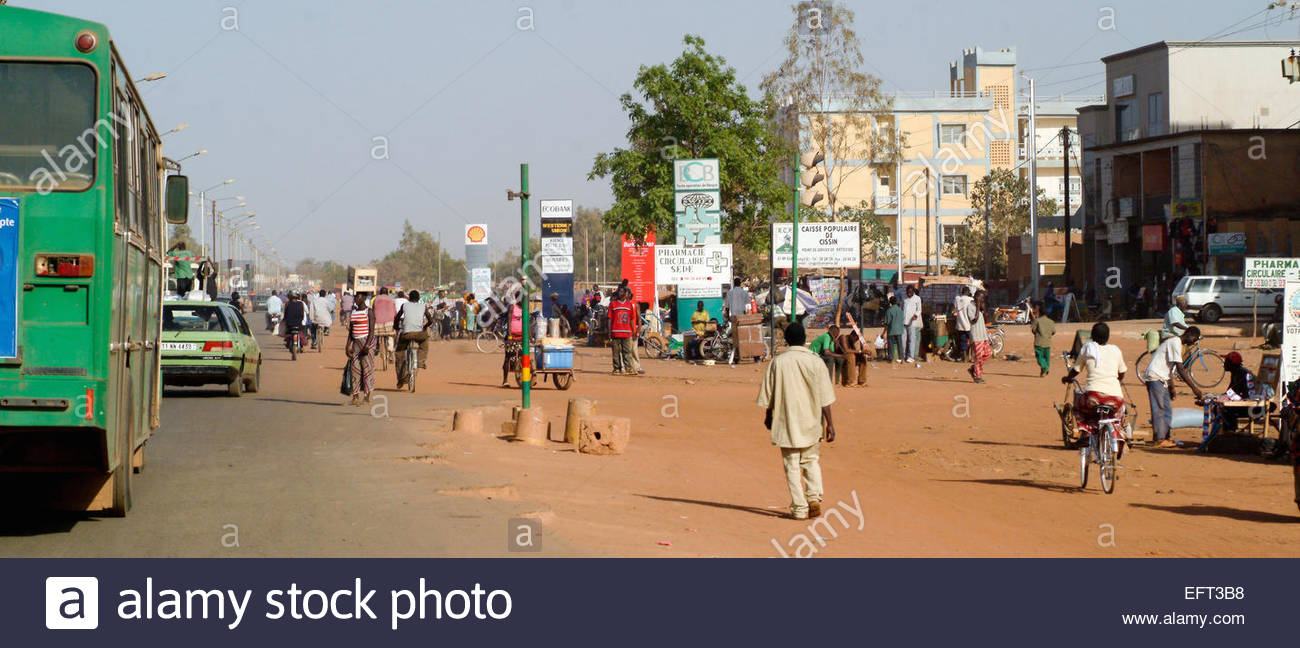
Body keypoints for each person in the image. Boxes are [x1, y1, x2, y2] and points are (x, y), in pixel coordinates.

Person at [756, 321, 837, 520]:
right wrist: (830, 424)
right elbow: (825, 397)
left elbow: (770, 393)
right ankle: (814, 498)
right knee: (811, 460)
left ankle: (800, 508)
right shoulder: (815, 361)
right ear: (804, 339)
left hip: (786, 421)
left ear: (786, 340)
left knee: (791, 464)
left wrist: (768, 415)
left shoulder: (778, 362)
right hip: (811, 421)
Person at [1061, 322, 1128, 445]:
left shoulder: (1088, 348)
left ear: (1092, 336)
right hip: (1115, 397)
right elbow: (1122, 372)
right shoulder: (1115, 350)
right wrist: (1116, 379)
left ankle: (1086, 433)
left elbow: (1076, 370)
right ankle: (1119, 433)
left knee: (1078, 408)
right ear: (1108, 336)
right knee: (1119, 412)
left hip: (1093, 396)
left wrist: (1067, 378)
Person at [1141, 326, 1202, 448]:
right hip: (1155, 377)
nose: (1193, 342)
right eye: (1194, 339)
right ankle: (1159, 439)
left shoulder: (1176, 344)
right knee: (1159, 409)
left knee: (1167, 409)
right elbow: (1180, 368)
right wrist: (1194, 388)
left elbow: (1169, 367)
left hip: (1162, 378)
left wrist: (1171, 387)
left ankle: (1165, 437)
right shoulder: (1175, 342)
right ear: (1188, 334)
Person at [1198, 351, 1260, 451]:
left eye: (1226, 362)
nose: (1224, 364)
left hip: (1252, 407)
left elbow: (1242, 394)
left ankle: (1230, 435)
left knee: (1227, 411)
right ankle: (1223, 435)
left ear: (1232, 363)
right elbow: (1229, 391)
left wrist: (1221, 398)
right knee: (1219, 408)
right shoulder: (1236, 372)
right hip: (1245, 403)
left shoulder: (1242, 374)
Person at [394, 290, 434, 388]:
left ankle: (400, 379)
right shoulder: (423, 307)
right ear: (419, 299)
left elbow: (397, 317)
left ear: (409, 298)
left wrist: (396, 327)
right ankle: (420, 362)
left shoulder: (404, 306)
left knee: (399, 354)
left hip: (406, 334)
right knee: (424, 343)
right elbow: (430, 320)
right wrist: (425, 326)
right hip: (419, 333)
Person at [345, 294, 377, 406]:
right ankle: (355, 397)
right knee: (355, 370)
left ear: (363, 298)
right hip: (356, 343)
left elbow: (372, 331)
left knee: (367, 370)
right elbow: (351, 330)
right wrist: (347, 345)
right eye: (355, 298)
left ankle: (367, 396)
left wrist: (367, 346)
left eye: (358, 297)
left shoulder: (369, 312)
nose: (356, 299)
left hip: (367, 343)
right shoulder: (354, 312)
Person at [608, 288, 640, 376]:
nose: (620, 293)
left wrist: (634, 331)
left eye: (622, 291)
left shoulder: (629, 305)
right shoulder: (613, 304)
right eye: (619, 291)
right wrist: (609, 332)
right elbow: (610, 319)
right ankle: (617, 369)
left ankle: (629, 369)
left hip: (627, 333)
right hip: (615, 332)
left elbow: (631, 319)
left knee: (627, 352)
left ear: (625, 293)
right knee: (616, 352)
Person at [967, 290, 992, 383]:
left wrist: (983, 308)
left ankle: (974, 368)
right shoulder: (970, 306)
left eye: (982, 298)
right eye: (979, 297)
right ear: (975, 297)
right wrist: (977, 307)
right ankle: (977, 375)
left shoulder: (980, 307)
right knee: (978, 356)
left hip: (983, 334)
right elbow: (974, 320)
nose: (981, 299)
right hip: (976, 335)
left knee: (987, 354)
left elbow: (986, 318)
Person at [1029, 300, 1055, 377]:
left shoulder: (1037, 321)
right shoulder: (1051, 321)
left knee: (1040, 358)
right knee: (1046, 359)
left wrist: (1037, 333)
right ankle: (1043, 372)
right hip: (1047, 342)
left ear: (1039, 312)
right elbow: (1053, 331)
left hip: (1039, 342)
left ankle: (1045, 368)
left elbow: (1033, 330)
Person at [502, 298, 524, 387]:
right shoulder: (512, 307)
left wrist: (530, 336)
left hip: (522, 336)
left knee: (523, 357)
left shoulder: (525, 309)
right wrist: (509, 335)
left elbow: (527, 323)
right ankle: (505, 380)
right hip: (512, 336)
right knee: (508, 357)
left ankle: (524, 379)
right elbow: (509, 321)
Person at [282, 292, 307, 358]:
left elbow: (285, 314)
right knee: (302, 332)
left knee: (287, 333)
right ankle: (301, 346)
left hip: (290, 324)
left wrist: (285, 320)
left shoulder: (287, 304)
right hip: (299, 324)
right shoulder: (301, 304)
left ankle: (288, 343)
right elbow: (302, 314)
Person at [902, 285, 922, 363]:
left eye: (910, 292)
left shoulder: (917, 299)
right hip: (904, 322)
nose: (909, 294)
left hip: (912, 322)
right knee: (903, 340)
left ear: (913, 291)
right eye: (908, 292)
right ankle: (903, 355)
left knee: (912, 340)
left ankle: (911, 356)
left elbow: (919, 309)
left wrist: (915, 315)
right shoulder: (904, 299)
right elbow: (902, 308)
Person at [952, 286, 973, 362]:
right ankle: (971, 356)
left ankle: (964, 357)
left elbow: (954, 311)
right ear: (968, 292)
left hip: (960, 324)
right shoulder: (971, 300)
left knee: (963, 341)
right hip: (969, 325)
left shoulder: (957, 299)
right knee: (972, 341)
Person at [882, 295, 904, 363]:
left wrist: (883, 333)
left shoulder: (889, 310)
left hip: (891, 330)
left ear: (890, 302)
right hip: (899, 330)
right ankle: (901, 358)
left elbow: (887, 323)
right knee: (899, 344)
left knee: (891, 344)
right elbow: (902, 319)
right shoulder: (900, 310)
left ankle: (891, 357)